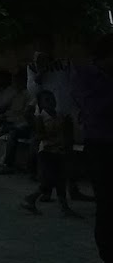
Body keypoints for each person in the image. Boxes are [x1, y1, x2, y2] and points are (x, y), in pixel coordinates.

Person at [69, 35, 113, 263]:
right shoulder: (87, 78)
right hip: (102, 148)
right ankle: (110, 262)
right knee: (108, 206)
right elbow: (95, 110)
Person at [22, 90, 81, 218]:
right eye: (47, 100)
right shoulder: (41, 118)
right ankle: (30, 199)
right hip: (47, 152)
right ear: (41, 104)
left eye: (52, 99)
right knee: (49, 180)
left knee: (60, 180)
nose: (51, 102)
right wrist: (52, 134)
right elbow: (39, 135)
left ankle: (64, 207)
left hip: (59, 151)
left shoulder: (59, 115)